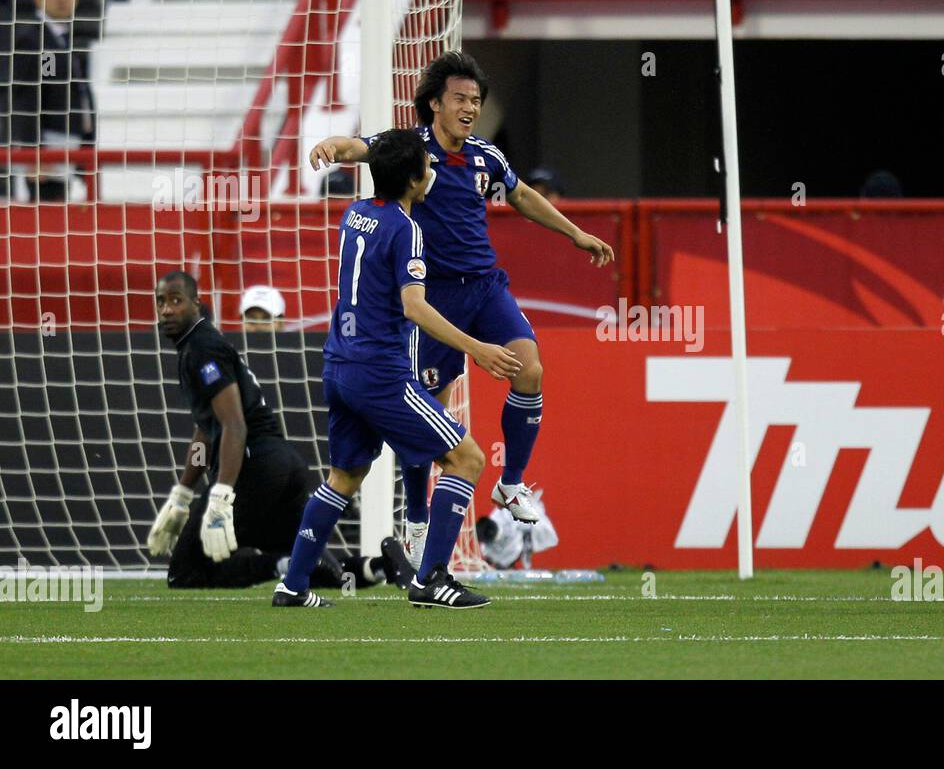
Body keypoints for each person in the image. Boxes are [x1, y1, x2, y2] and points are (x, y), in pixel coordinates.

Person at [307, 51, 614, 569]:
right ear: (434, 104)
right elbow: (361, 148)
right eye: (460, 99)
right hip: (434, 297)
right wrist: (336, 145)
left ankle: (512, 482)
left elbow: (521, 197)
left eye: (476, 100)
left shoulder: (485, 157)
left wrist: (576, 233)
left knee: (531, 369)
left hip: (486, 287)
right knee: (431, 415)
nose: (469, 107)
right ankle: (418, 516)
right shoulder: (411, 149)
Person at [274, 128, 522, 609]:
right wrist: (479, 348)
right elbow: (415, 306)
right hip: (380, 373)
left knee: (344, 475)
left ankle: (294, 584)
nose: (432, 172)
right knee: (467, 458)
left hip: (339, 364)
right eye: (427, 167)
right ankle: (432, 580)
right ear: (415, 180)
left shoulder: (357, 213)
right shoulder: (407, 229)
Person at [147, 271, 392, 590]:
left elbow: (234, 424)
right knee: (303, 553)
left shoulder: (201, 348)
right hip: (284, 466)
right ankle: (379, 567)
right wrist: (182, 494)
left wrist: (221, 496)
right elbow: (206, 431)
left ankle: (281, 566)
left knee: (184, 572)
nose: (166, 309)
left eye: (176, 301)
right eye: (161, 302)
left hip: (255, 469)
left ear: (196, 304)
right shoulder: (198, 345)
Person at [10, 0, 97, 201]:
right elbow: (29, 97)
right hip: (49, 148)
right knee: (47, 215)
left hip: (68, 144)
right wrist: (33, 153)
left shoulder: (64, 39)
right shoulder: (37, 41)